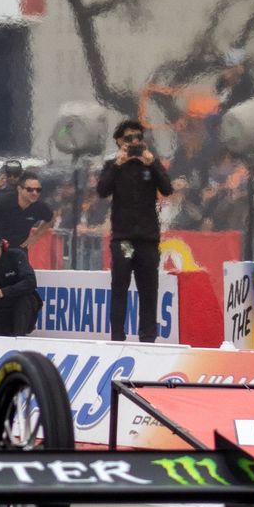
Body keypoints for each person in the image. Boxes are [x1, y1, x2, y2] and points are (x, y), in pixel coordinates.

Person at [98, 120, 173, 343]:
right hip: (124, 238)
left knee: (149, 289)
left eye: (138, 138)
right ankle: (117, 337)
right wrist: (117, 164)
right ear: (119, 141)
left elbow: (167, 189)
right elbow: (102, 190)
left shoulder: (150, 163)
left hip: (148, 238)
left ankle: (148, 338)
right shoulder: (113, 164)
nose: (134, 143)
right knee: (120, 287)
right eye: (129, 139)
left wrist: (153, 164)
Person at [0, 170, 53, 254]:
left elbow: (50, 218)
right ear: (19, 189)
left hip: (19, 249)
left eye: (38, 190)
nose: (34, 193)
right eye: (29, 189)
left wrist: (34, 237)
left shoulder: (39, 206)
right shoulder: (0, 202)